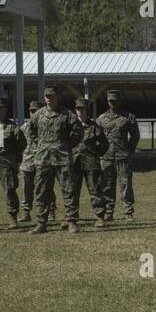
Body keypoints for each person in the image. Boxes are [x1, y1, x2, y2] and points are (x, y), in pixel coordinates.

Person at [28, 86, 79, 233]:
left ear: (57, 97)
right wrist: (40, 146)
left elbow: (77, 132)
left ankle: (71, 221)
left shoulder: (67, 114)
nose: (49, 99)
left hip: (62, 158)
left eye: (52, 96)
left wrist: (67, 145)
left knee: (68, 190)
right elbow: (31, 132)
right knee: (41, 190)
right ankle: (41, 223)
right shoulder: (38, 115)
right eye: (47, 97)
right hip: (43, 159)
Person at [96, 89, 141, 225]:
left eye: (115, 101)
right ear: (107, 102)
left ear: (119, 101)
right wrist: (99, 151)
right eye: (110, 101)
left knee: (125, 185)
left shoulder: (128, 117)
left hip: (123, 156)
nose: (112, 104)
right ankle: (108, 212)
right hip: (107, 157)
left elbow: (135, 135)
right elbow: (96, 137)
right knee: (107, 186)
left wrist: (130, 149)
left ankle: (128, 212)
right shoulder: (101, 119)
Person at [0, 95, 25, 229]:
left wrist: (14, 158)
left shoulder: (13, 127)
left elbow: (21, 144)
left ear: (5, 109)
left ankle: (12, 217)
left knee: (9, 189)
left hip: (7, 162)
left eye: (0, 108)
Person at [71, 96, 107, 226]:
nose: (80, 111)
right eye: (78, 109)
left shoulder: (94, 127)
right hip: (74, 162)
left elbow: (104, 144)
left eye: (82, 109)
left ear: (87, 110)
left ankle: (99, 216)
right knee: (72, 191)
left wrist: (96, 153)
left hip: (91, 163)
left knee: (95, 190)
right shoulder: (71, 127)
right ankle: (71, 217)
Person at [20, 100, 41, 224]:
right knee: (26, 189)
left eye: (36, 111)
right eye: (32, 111)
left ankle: (49, 211)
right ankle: (26, 213)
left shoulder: (45, 126)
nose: (33, 113)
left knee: (44, 188)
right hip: (27, 161)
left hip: (42, 161)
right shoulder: (24, 128)